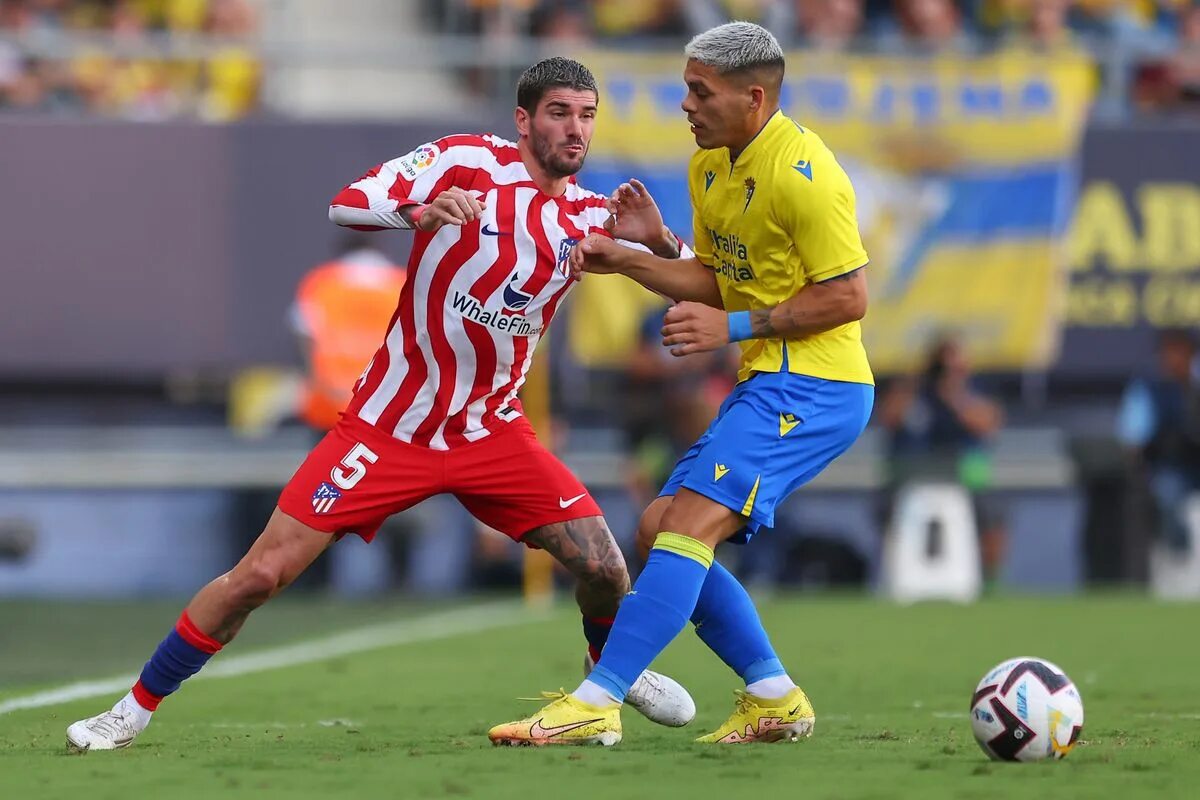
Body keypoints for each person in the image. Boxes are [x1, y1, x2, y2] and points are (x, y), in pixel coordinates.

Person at [64, 57, 697, 752]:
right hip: (390, 426)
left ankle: (601, 677)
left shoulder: (587, 215)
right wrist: (418, 212)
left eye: (586, 115)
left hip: (491, 431)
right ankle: (130, 710)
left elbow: (694, 282)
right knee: (261, 575)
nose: (574, 129)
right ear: (523, 119)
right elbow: (347, 200)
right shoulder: (466, 162)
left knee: (606, 569)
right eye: (558, 112)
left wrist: (660, 240)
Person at [489, 22, 873, 746]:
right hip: (771, 382)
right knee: (657, 527)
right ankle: (774, 696)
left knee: (689, 527)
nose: (686, 106)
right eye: (685, 89)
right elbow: (720, 280)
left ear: (754, 97)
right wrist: (637, 254)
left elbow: (848, 297)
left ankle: (597, 699)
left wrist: (725, 332)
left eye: (701, 92)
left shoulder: (804, 175)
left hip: (815, 388)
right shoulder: (709, 167)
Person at [877, 334, 1006, 581]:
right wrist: (917, 379)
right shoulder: (915, 392)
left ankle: (990, 581)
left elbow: (986, 424)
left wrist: (952, 390)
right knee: (888, 512)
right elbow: (889, 417)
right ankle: (894, 577)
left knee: (993, 514)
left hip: (965, 476)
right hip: (911, 476)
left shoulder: (971, 391)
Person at [1117, 328, 1200, 554]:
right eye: (1168, 352)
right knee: (1167, 492)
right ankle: (1180, 554)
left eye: (1180, 352)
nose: (1173, 359)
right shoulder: (1148, 386)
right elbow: (1132, 434)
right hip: (1171, 467)